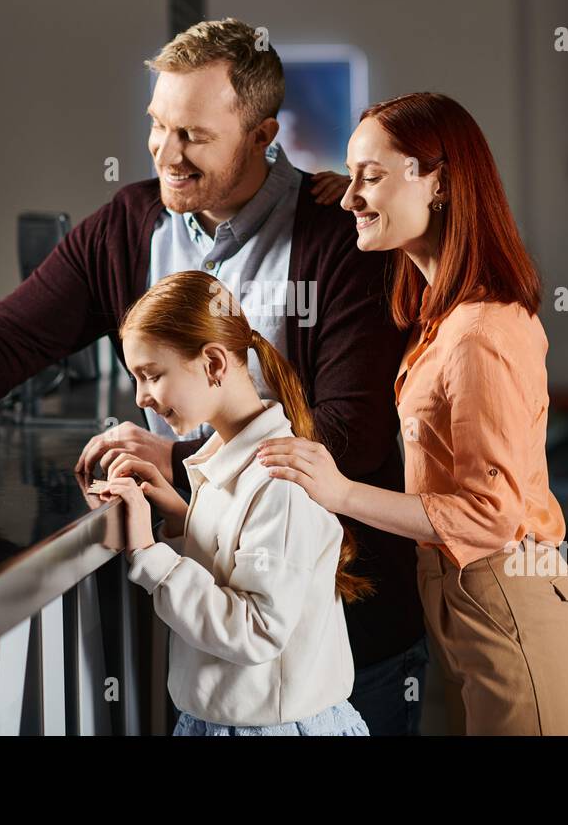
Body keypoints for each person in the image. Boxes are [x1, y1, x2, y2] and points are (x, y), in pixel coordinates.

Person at [0, 18, 428, 734]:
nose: (167, 154)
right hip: (215, 648)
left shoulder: (337, 240)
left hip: (350, 636)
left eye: (194, 136)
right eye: (157, 126)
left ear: (264, 137)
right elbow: (15, 329)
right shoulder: (128, 225)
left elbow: (345, 440)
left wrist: (177, 458)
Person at [256, 92, 568, 735]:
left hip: (517, 613)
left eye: (370, 176)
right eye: (350, 176)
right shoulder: (437, 316)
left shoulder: (479, 332)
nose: (347, 198)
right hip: (479, 611)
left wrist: (339, 492)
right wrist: (368, 187)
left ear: (440, 182)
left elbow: (489, 513)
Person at [95, 271, 368, 735]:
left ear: (213, 364)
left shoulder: (278, 484)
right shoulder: (228, 462)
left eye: (151, 375)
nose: (141, 397)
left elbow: (257, 628)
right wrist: (179, 518)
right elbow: (236, 558)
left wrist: (148, 554)